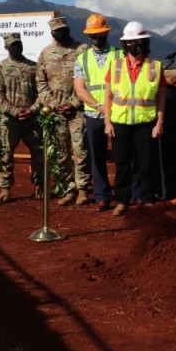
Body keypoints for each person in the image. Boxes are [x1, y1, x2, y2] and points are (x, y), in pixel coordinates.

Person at [103, 21, 166, 216]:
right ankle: (122, 201)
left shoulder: (155, 67)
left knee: (147, 164)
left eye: (137, 41)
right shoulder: (114, 67)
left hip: (145, 124)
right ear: (124, 44)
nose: (133, 45)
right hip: (120, 124)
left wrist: (159, 123)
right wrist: (107, 122)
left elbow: (161, 99)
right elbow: (108, 96)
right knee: (121, 164)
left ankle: (147, 199)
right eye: (129, 42)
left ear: (144, 42)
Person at [36, 15, 88, 206]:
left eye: (64, 30)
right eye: (57, 31)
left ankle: (83, 188)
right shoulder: (46, 53)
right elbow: (40, 82)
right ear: (52, 33)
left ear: (69, 29)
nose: (61, 33)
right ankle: (68, 188)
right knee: (61, 152)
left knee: (81, 150)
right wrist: (52, 104)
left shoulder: (82, 50)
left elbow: (88, 80)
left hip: (78, 110)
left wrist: (73, 104)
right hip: (55, 112)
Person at [73, 13, 122, 211]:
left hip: (118, 113)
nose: (98, 37)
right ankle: (102, 194)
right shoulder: (82, 59)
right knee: (97, 155)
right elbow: (80, 89)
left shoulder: (120, 55)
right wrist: (98, 106)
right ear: (88, 36)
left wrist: (110, 107)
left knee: (122, 155)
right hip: (94, 114)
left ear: (107, 33)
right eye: (94, 34)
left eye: (101, 33)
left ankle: (123, 193)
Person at [0, 31, 43, 202]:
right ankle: (5, 189)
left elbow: (42, 92)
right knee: (4, 154)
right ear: (6, 47)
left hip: (32, 119)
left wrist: (32, 110)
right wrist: (14, 112)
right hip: (9, 121)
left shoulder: (34, 67)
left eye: (18, 44)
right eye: (12, 45)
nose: (16, 47)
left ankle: (40, 185)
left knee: (39, 153)